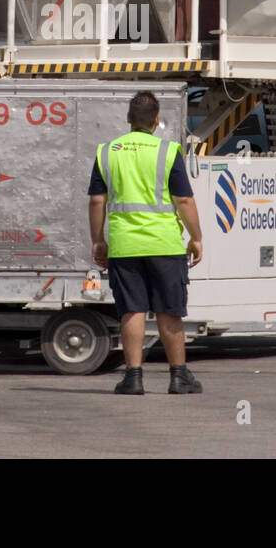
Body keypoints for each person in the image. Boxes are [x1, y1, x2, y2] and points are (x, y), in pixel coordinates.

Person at [88, 91, 204, 395]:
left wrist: (98, 240)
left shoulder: (107, 151)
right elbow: (184, 200)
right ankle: (178, 377)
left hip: (125, 246)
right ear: (156, 120)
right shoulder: (168, 151)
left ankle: (133, 377)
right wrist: (197, 237)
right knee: (169, 311)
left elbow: (97, 201)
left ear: (128, 119)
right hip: (164, 244)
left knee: (132, 310)